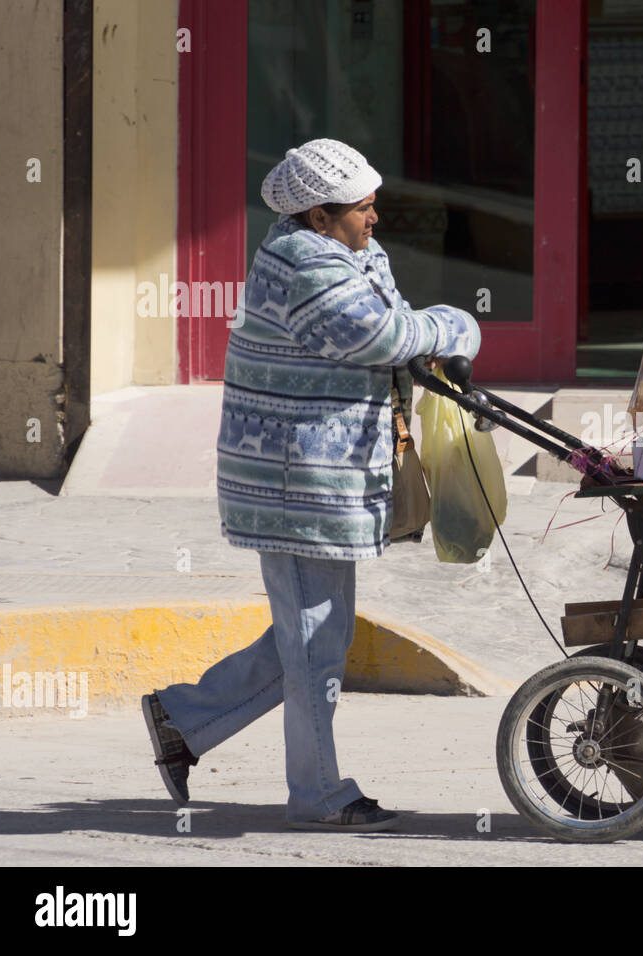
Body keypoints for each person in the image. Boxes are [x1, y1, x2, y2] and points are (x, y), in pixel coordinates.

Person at [141, 138, 479, 832]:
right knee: (316, 639)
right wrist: (454, 325)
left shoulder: (344, 253)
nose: (374, 218)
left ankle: (183, 715)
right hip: (296, 481)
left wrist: (431, 335)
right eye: (361, 209)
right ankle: (319, 795)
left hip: (323, 477)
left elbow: (388, 320)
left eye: (374, 205)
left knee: (315, 634)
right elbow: (383, 337)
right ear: (319, 218)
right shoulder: (305, 267)